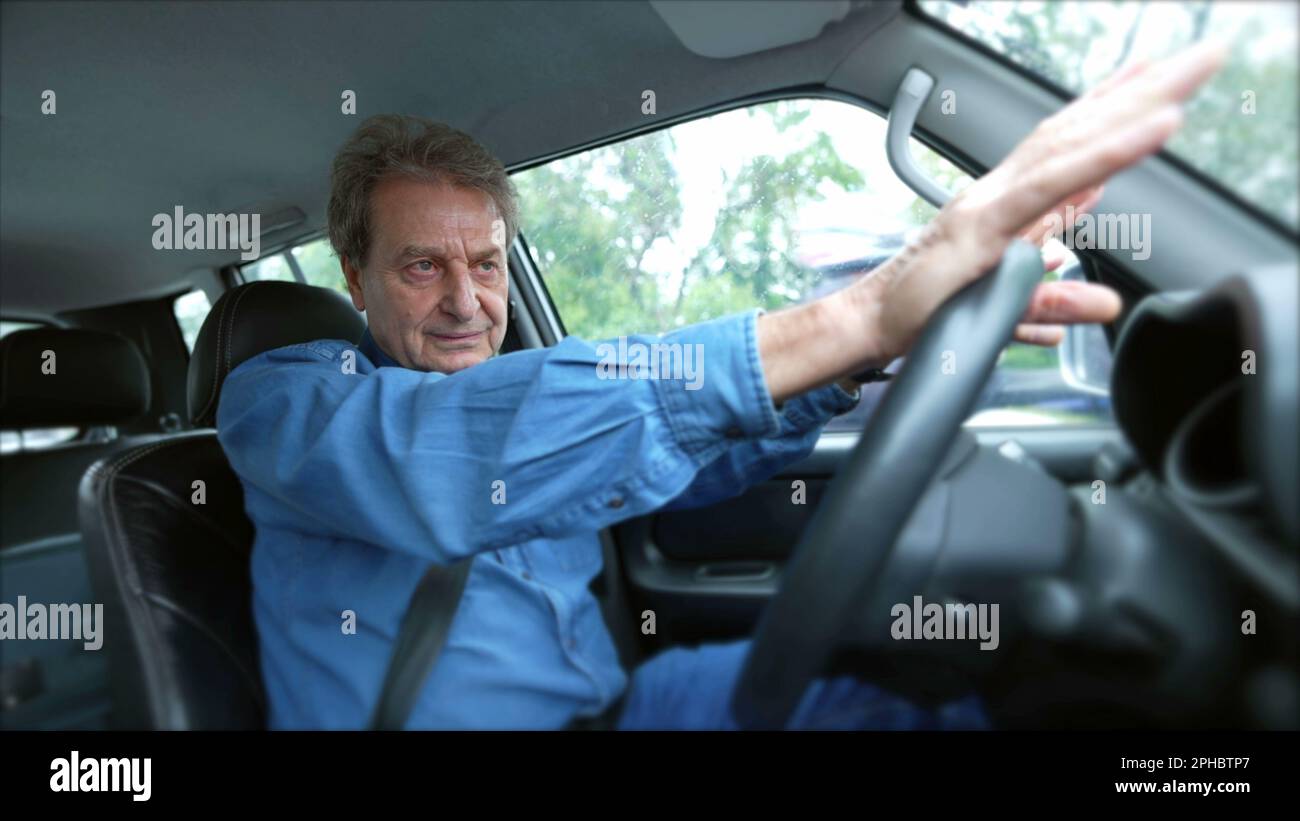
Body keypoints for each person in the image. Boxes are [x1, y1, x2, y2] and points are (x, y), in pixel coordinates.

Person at [217, 44, 1225, 729]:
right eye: (419, 265)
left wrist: (858, 363)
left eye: (483, 261)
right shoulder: (284, 401)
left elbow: (693, 454)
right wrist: (858, 310)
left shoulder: (540, 397)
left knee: (945, 699)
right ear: (353, 276)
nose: (468, 300)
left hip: (625, 708)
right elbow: (447, 453)